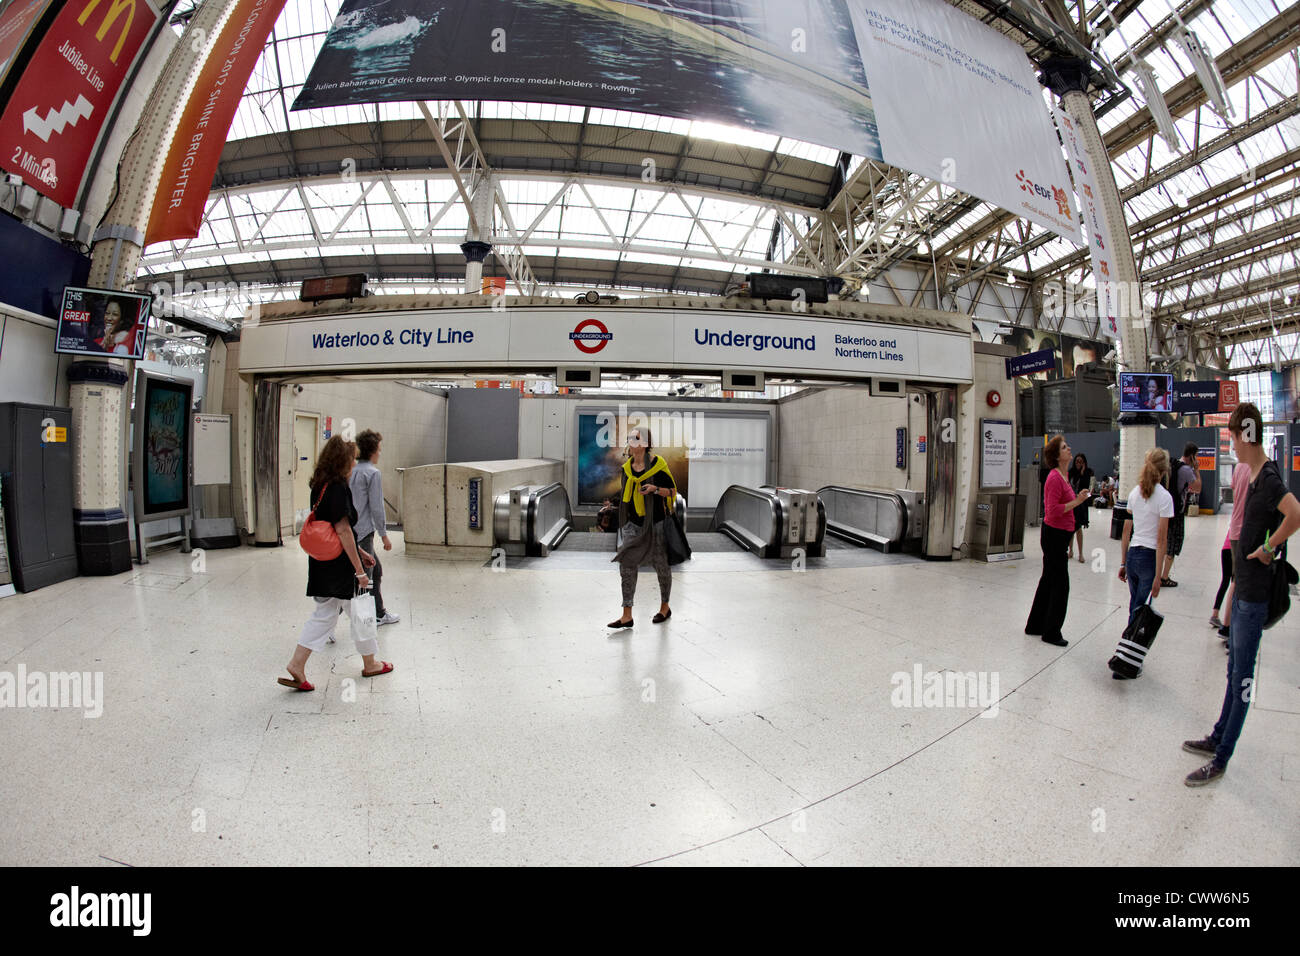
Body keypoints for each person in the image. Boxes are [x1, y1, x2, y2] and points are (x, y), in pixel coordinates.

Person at [1183, 402, 1300, 786]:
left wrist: (1269, 549)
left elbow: (1295, 513)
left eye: (1232, 434)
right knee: (1234, 674)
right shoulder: (1256, 474)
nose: (1230, 441)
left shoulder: (1267, 478)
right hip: (1246, 590)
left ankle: (1222, 756)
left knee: (1242, 679)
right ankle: (1219, 734)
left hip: (1254, 594)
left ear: (1244, 434)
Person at [280, 436, 393, 691]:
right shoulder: (339, 487)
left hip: (322, 562)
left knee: (324, 615)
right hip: (341, 567)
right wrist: (359, 570)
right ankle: (371, 663)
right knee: (361, 614)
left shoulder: (318, 484)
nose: (355, 462)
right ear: (343, 460)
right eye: (352, 458)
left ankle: (297, 664)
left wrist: (362, 554)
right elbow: (342, 530)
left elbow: (332, 526)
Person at [1024, 435, 1091, 647]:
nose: (1069, 449)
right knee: (1061, 585)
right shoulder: (1054, 478)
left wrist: (1076, 498)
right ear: (1056, 456)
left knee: (1048, 580)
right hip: (1054, 535)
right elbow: (1052, 511)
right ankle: (1051, 631)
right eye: (1064, 447)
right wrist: (1077, 501)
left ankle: (1035, 624)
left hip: (1059, 534)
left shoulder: (1063, 476)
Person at [608, 425, 676, 629]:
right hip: (632, 523)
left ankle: (665, 607)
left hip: (655, 523)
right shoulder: (627, 468)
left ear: (645, 444)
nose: (631, 441)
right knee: (626, 565)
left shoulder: (658, 464)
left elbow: (672, 492)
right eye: (630, 438)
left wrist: (656, 489)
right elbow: (625, 493)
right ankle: (626, 614)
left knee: (661, 564)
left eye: (636, 438)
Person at [1116, 448, 1172, 673]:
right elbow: (1161, 540)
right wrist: (1159, 576)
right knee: (1140, 611)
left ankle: (1127, 657)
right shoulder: (1165, 497)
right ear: (1164, 469)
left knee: (1135, 607)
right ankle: (1126, 661)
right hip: (1149, 559)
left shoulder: (1134, 493)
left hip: (1133, 556)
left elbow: (1126, 531)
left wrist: (1122, 563)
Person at [350, 429, 399, 626]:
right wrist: (384, 535)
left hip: (351, 531)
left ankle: (379, 612)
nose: (380, 453)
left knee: (376, 570)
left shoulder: (351, 470)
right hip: (364, 532)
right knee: (365, 578)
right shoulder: (372, 473)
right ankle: (365, 620)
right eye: (379, 449)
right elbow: (377, 507)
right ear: (372, 451)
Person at [1212, 461, 1253, 639]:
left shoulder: (1239, 469)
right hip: (1238, 543)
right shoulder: (1254, 468)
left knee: (1226, 581)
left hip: (1227, 545)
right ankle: (1228, 626)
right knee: (1235, 583)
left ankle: (1216, 614)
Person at [1159, 442, 1202, 587]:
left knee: (1162, 541)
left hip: (1164, 510)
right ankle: (1164, 577)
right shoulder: (1186, 470)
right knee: (1173, 545)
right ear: (1192, 456)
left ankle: (1157, 574)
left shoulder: (1172, 464)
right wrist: (1197, 470)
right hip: (1176, 513)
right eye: (1196, 456)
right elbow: (1197, 488)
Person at [1067, 453, 1094, 563]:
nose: (1078, 463)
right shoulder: (1071, 472)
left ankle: (1080, 553)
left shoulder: (1087, 473)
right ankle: (1071, 550)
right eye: (1077, 461)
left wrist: (1083, 473)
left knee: (1078, 528)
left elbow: (1089, 490)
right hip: (1071, 502)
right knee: (1071, 528)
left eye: (1081, 462)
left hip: (1081, 504)